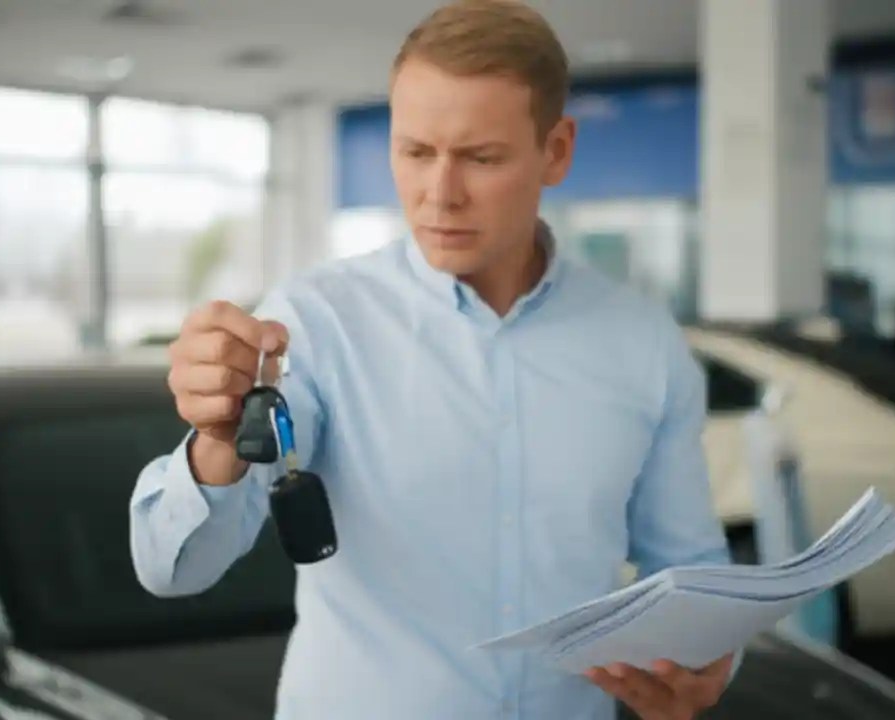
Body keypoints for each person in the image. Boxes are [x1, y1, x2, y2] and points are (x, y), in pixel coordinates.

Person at [130, 1, 736, 718]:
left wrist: (704, 665)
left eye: (481, 157)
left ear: (558, 151)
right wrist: (217, 444)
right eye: (415, 152)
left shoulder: (642, 341)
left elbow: (690, 569)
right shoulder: (316, 323)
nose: (438, 194)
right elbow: (176, 570)